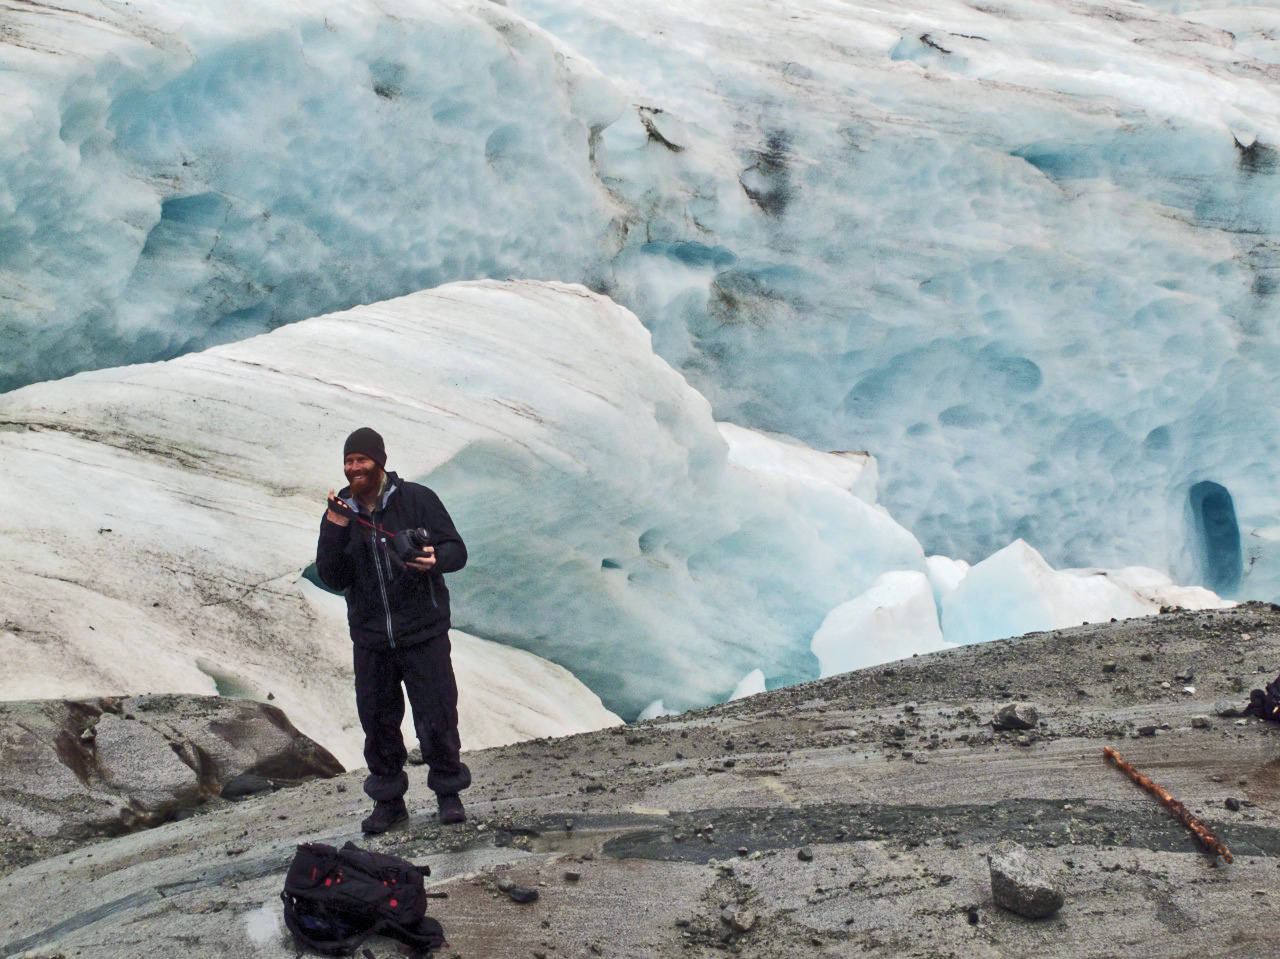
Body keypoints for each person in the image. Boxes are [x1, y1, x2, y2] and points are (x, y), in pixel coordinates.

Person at [316, 427, 471, 832]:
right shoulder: (341, 513)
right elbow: (332, 576)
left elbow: (457, 549)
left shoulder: (417, 499)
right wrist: (334, 527)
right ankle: (389, 803)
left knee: (436, 716)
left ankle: (448, 794)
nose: (354, 468)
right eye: (349, 461)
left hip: (423, 631)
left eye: (361, 460)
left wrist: (435, 558)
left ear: (379, 462)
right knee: (378, 722)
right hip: (371, 639)